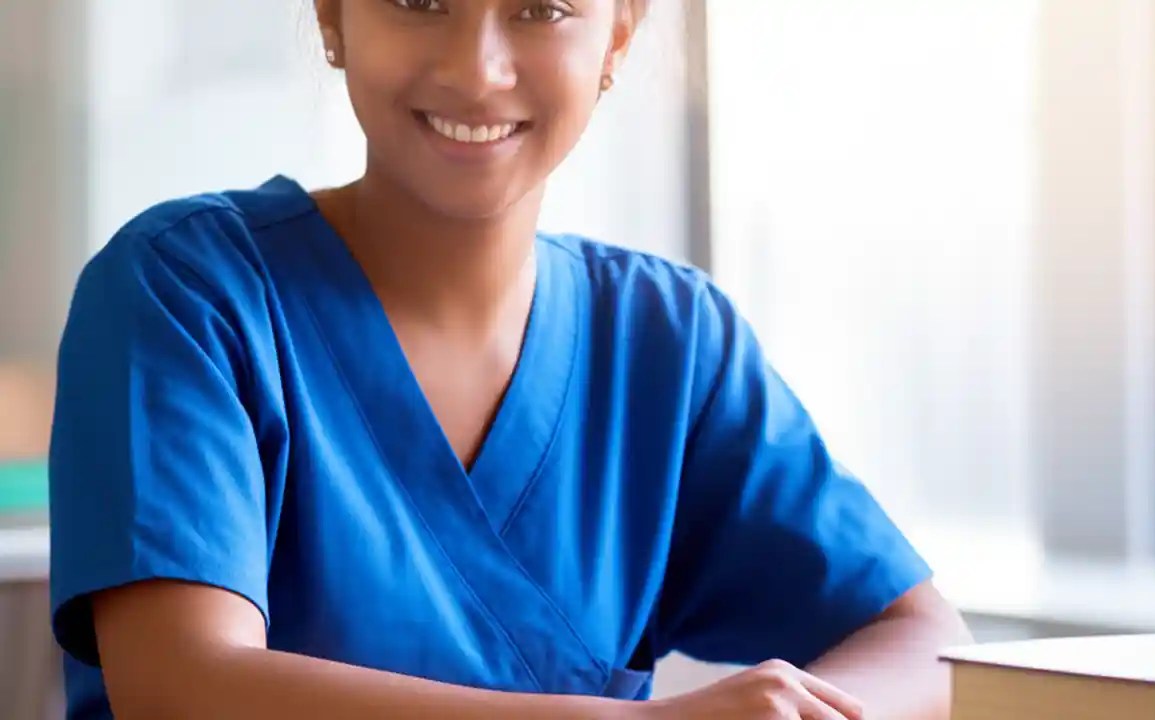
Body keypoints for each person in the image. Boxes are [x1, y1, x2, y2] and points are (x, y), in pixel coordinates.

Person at [48, 1, 972, 718]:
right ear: (332, 17)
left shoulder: (668, 343)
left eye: (541, 8)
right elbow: (183, 689)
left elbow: (924, 645)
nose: (476, 69)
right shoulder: (186, 292)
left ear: (618, 36)